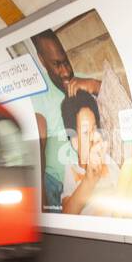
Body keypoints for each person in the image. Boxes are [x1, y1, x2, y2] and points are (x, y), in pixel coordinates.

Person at [29, 31, 100, 211]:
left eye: (66, 61)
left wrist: (94, 85)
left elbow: (113, 96)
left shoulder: (81, 78)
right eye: (57, 64)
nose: (66, 71)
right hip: (56, 183)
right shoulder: (38, 91)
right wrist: (41, 205)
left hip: (89, 170)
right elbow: (37, 147)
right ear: (42, 60)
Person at [59, 90, 120, 216]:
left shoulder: (107, 161)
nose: (94, 136)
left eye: (95, 129)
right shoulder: (72, 169)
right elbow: (67, 213)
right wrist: (90, 178)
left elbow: (124, 191)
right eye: (86, 132)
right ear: (75, 141)